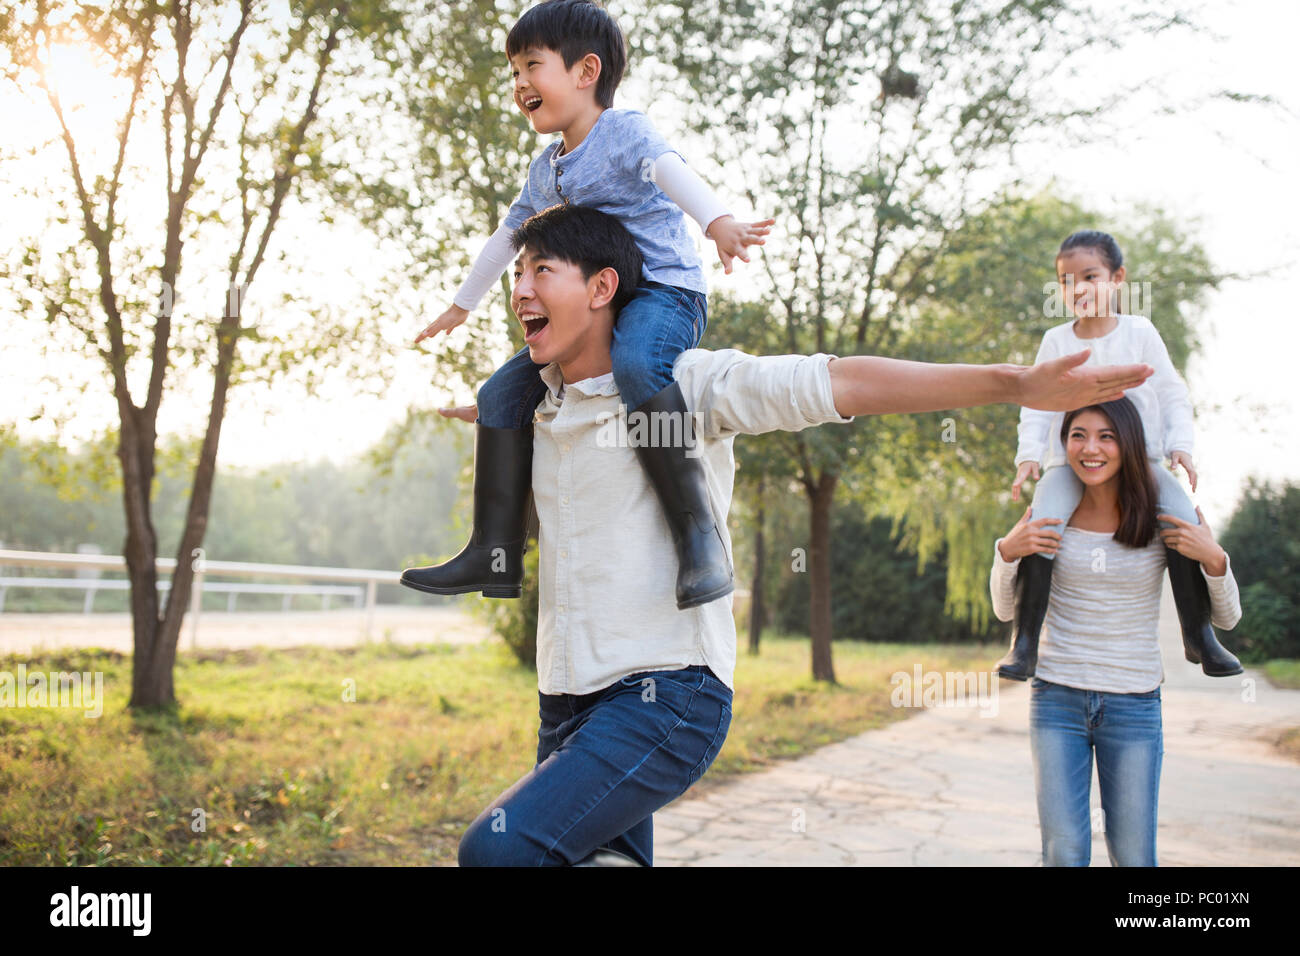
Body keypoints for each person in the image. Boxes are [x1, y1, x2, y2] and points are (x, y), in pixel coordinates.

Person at [445, 203, 1156, 866]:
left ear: (603, 287)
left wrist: (1012, 384)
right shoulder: (540, 411)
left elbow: (843, 382)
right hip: (566, 701)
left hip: (662, 695)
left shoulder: (687, 386)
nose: (520, 292)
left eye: (541, 271)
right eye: (515, 275)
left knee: (494, 853)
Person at [402, 0, 773, 609]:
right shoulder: (544, 170)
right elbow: (508, 237)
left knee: (638, 367)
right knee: (499, 395)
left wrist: (717, 222)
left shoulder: (623, 132)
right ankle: (493, 554)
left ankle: (699, 538)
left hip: (662, 294)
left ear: (585, 71)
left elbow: (669, 168)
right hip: (598, 310)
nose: (520, 82)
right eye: (514, 71)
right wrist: (461, 305)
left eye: (531, 65)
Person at [990, 397, 1242, 866]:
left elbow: (1227, 619)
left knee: (1133, 856)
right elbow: (1007, 610)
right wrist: (1007, 552)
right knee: (1063, 854)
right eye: (1078, 435)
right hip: (1057, 697)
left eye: (1106, 436)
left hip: (1133, 702)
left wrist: (1214, 559)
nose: (1091, 449)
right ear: (1063, 442)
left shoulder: (1158, 514)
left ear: (1128, 443)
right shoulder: (1051, 513)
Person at [996, 229, 1242, 681]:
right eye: (1067, 281)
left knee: (1182, 519)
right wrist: (1028, 455)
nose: (1079, 289)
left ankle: (1199, 635)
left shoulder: (1140, 333)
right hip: (1069, 463)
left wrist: (1180, 446)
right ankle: (1025, 641)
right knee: (1040, 524)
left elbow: (1171, 392)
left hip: (1142, 460)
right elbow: (1033, 400)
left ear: (1118, 278)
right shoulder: (1056, 341)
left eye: (1090, 276)